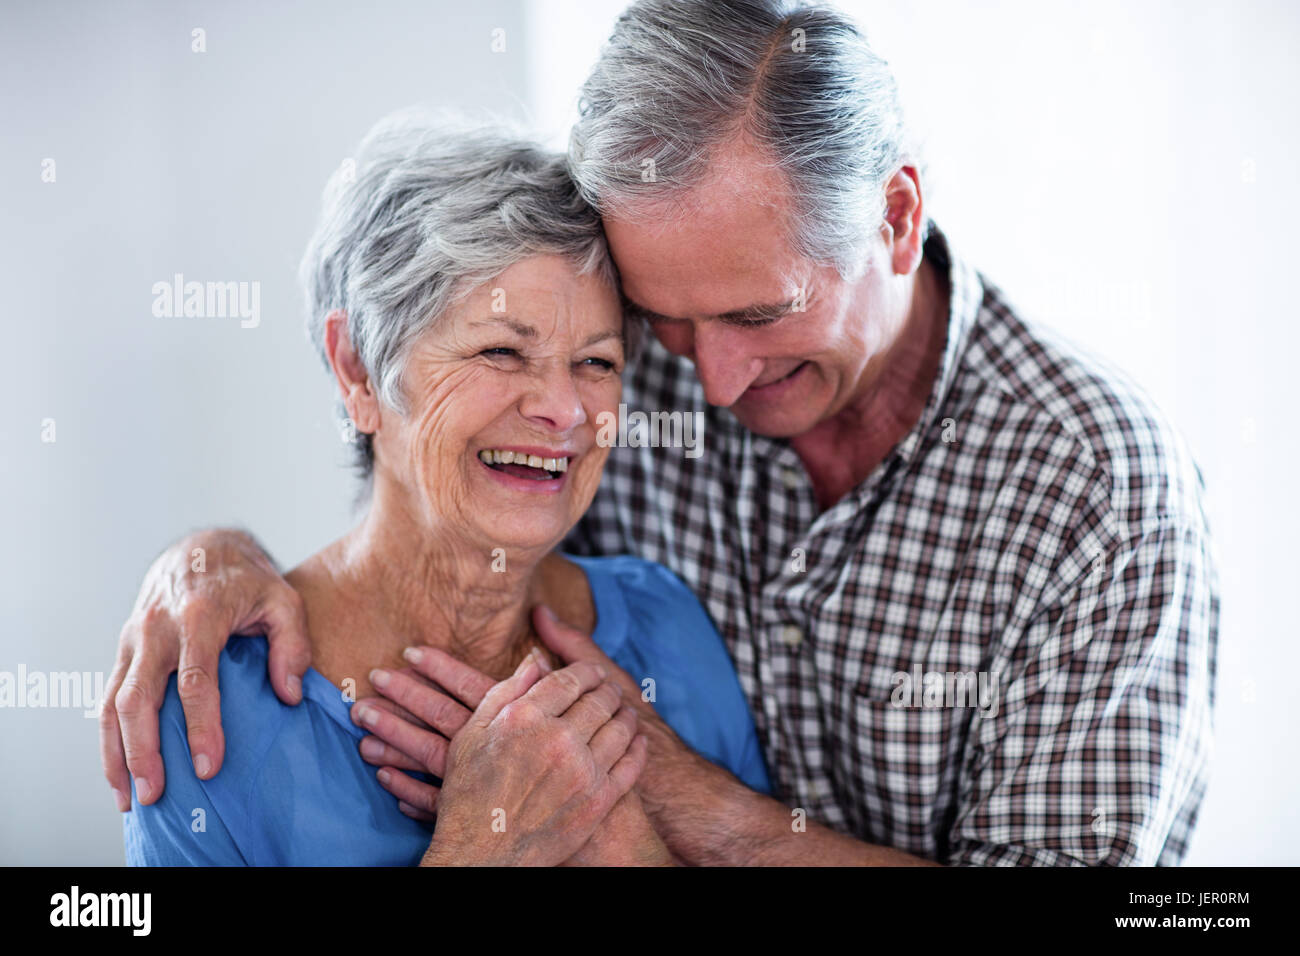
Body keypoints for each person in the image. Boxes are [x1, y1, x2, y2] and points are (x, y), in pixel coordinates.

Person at [106, 0, 1218, 866]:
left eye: (756, 314)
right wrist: (207, 554)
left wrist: (678, 806)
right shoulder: (218, 719)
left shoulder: (1093, 484)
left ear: (893, 218)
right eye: (660, 329)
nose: (714, 382)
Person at [121, 114, 769, 866]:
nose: (563, 409)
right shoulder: (207, 708)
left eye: (595, 362)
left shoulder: (669, 627)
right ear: (358, 371)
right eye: (501, 350)